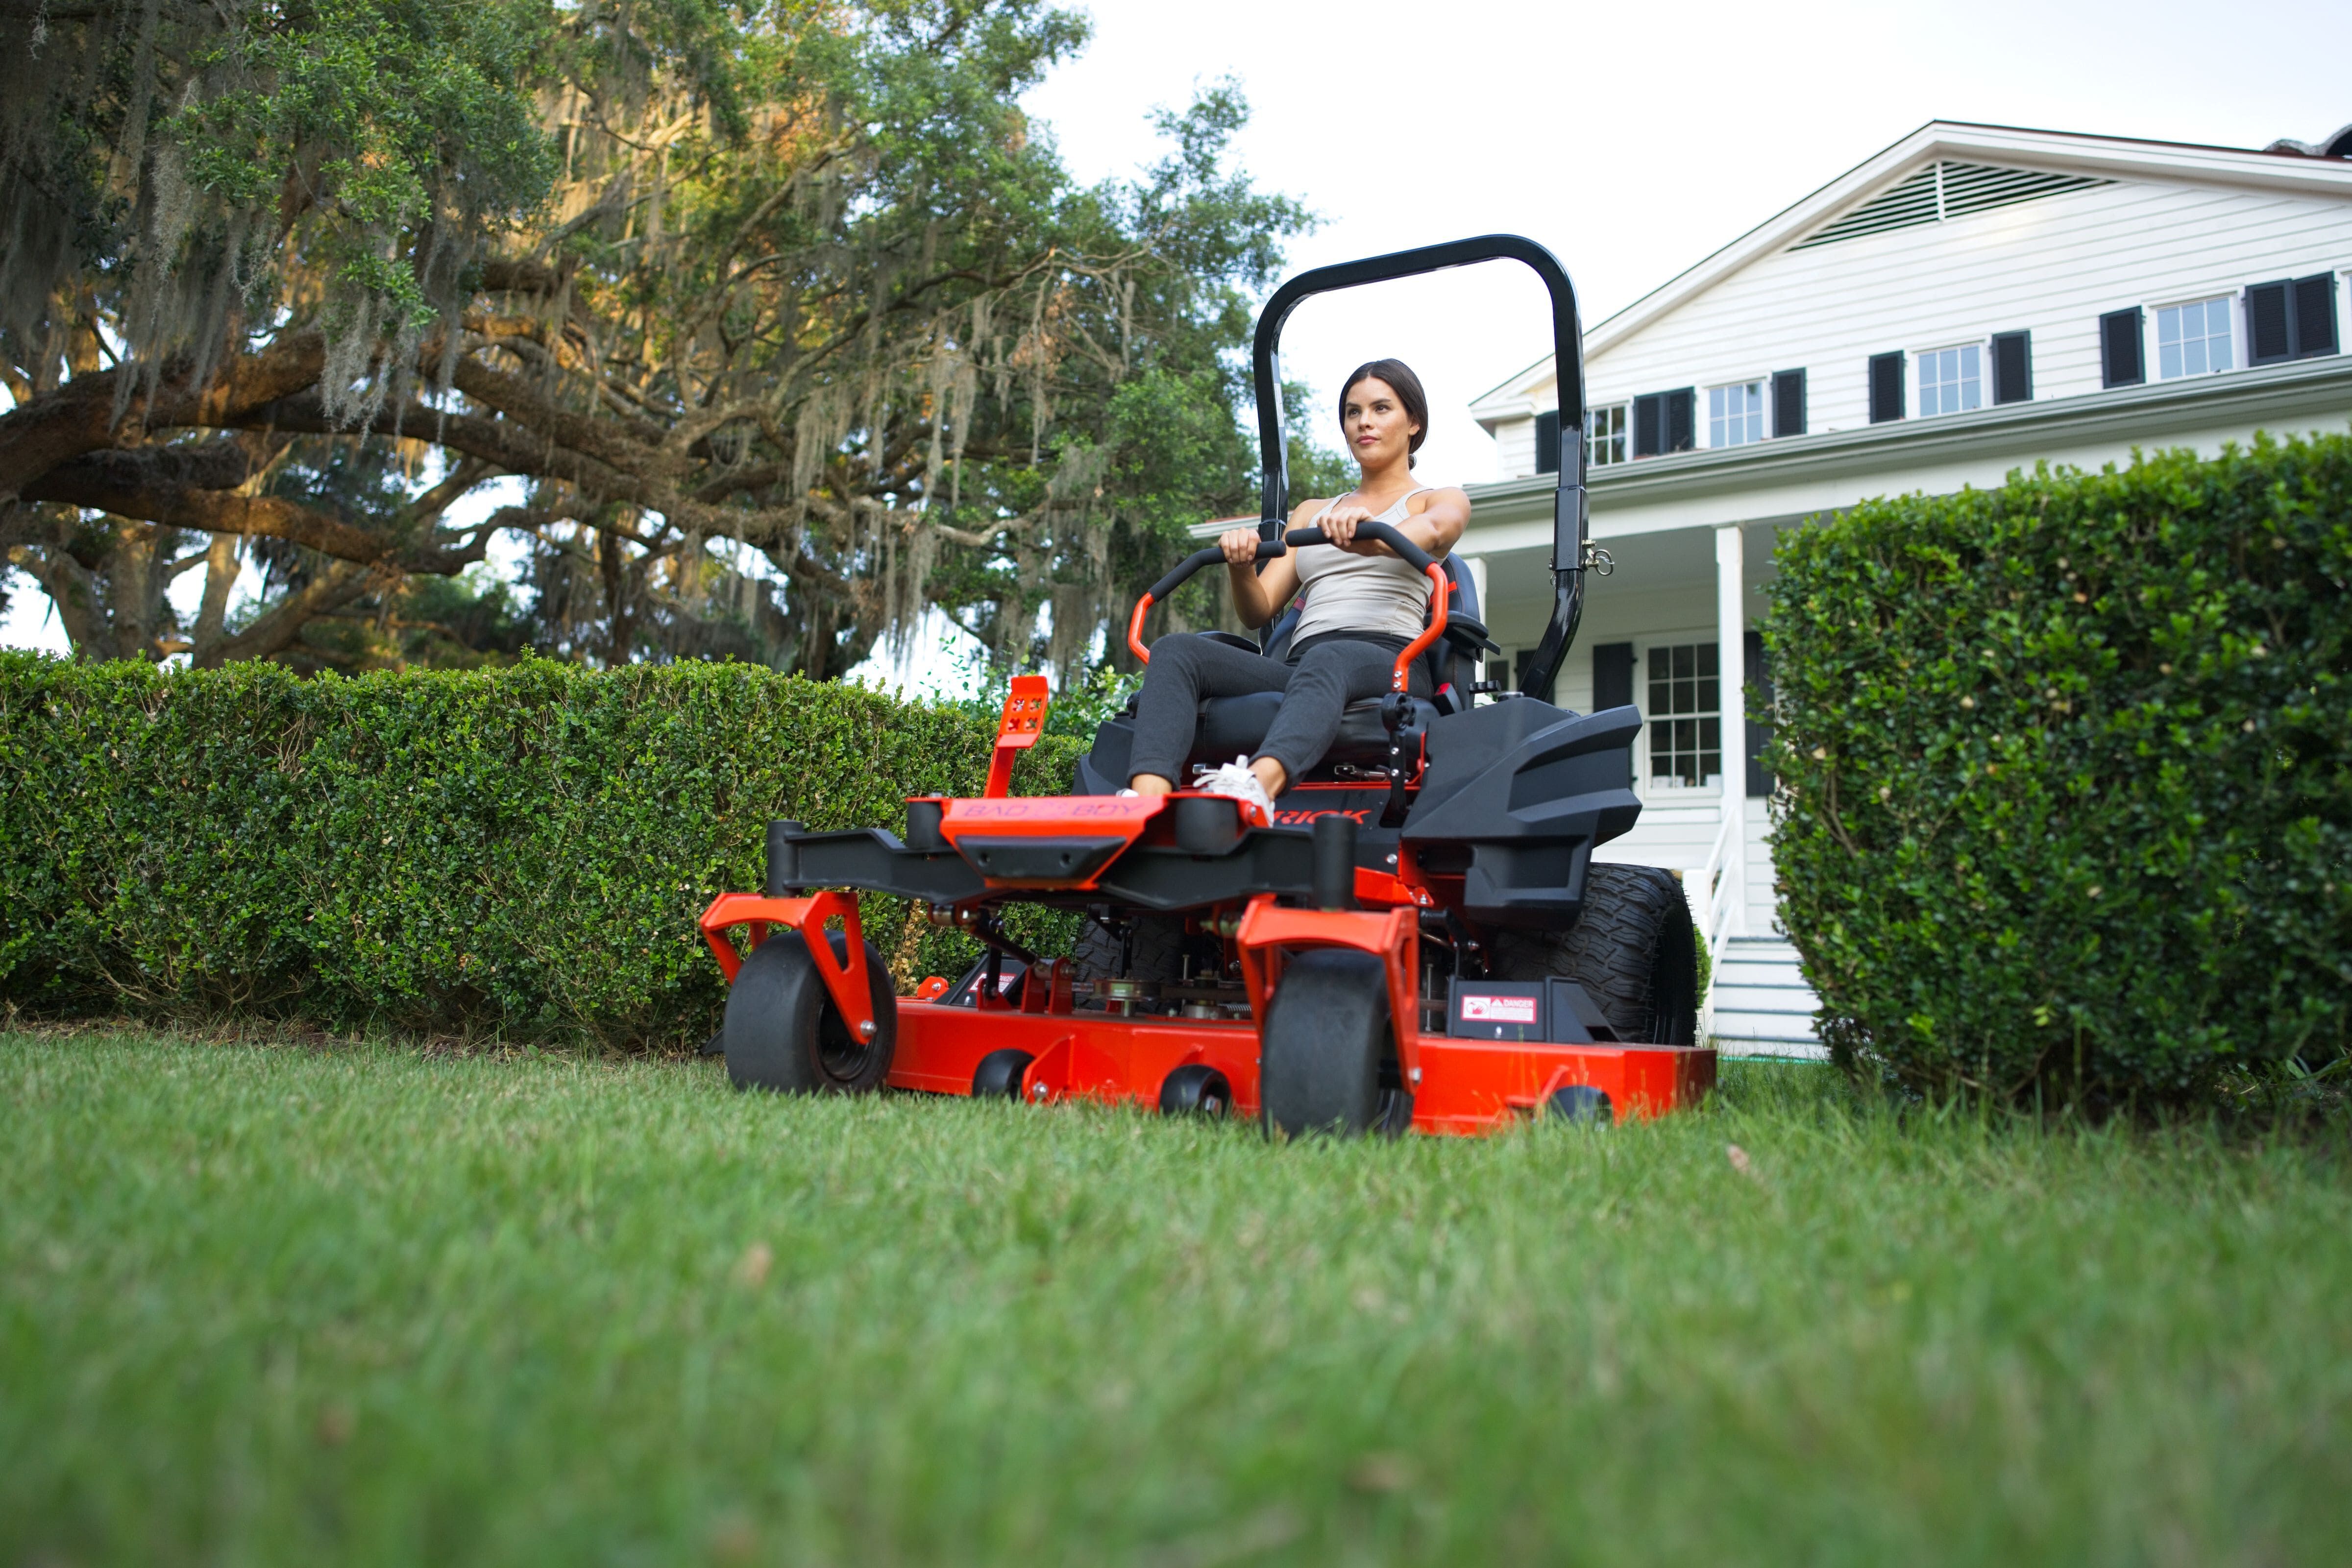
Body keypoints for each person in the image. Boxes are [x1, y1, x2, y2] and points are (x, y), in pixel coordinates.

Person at [1123, 358, 1470, 816]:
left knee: (1331, 656)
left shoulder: (1439, 499)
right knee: (1176, 650)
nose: (1364, 422)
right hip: (1305, 665)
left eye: (1381, 408)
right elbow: (1259, 609)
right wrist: (1242, 567)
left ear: (1414, 423)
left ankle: (1254, 789)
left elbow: (1432, 530)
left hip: (1392, 661)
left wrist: (1369, 534)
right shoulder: (1312, 513)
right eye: (1353, 412)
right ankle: (1144, 805)